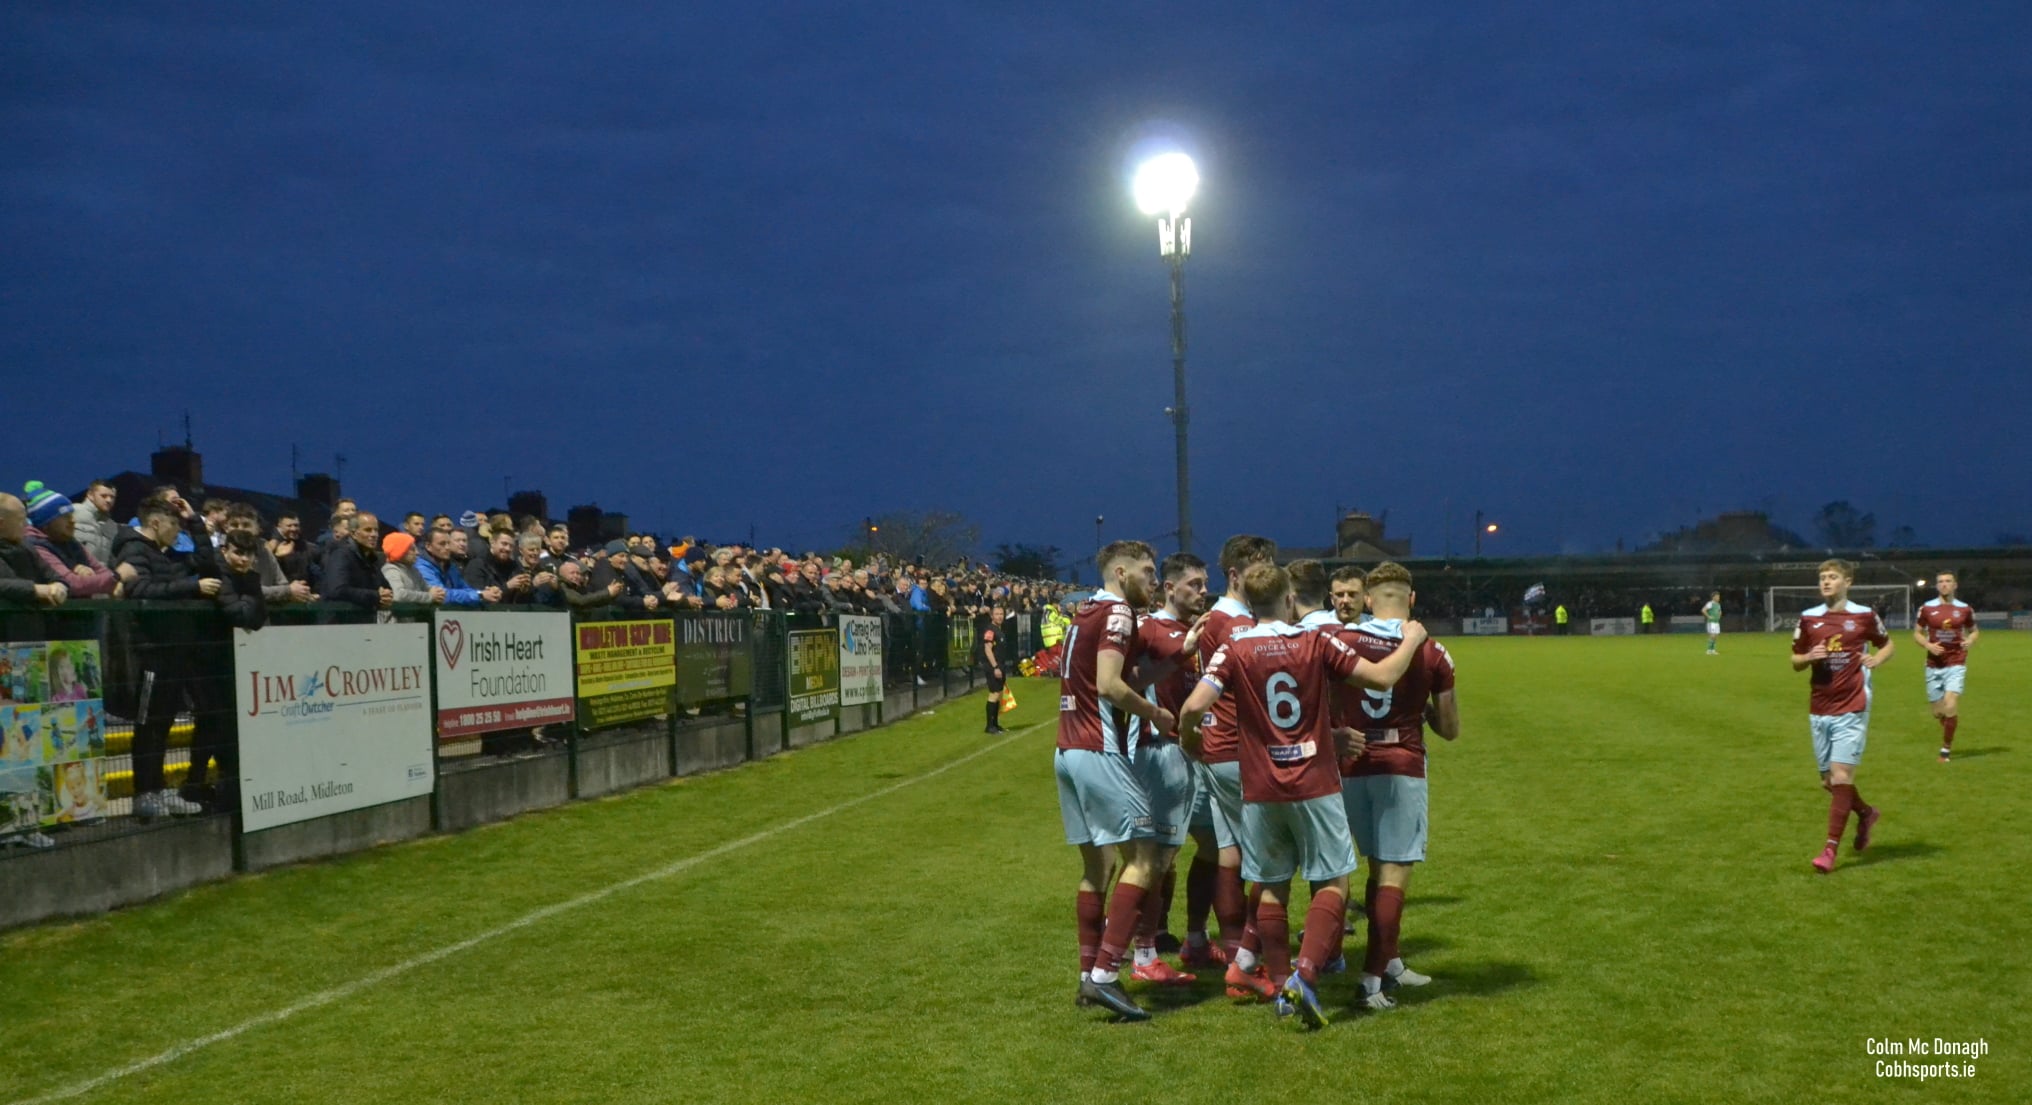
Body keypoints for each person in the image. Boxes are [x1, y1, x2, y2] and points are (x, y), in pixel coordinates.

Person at [1178, 562, 1426, 1028]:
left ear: (1250, 603)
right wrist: (1411, 640)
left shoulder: (1234, 645)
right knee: (1334, 881)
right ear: (1289, 599)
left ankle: (1277, 980)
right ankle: (1306, 975)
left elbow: (1194, 706)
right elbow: (1380, 678)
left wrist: (1189, 737)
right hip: (1313, 779)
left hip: (1261, 786)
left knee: (1271, 883)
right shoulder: (1313, 641)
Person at [1056, 541, 1171, 1021]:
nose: (1154, 579)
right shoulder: (1121, 612)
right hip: (1098, 748)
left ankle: (1088, 975)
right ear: (1120, 572)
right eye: (1147, 570)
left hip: (1065, 751)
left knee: (1095, 868)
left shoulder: (1084, 612)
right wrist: (1156, 712)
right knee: (1144, 857)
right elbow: (1108, 684)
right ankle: (1106, 975)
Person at [1337, 562, 1458, 1010]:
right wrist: (1425, 713)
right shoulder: (1433, 652)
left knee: (1370, 865)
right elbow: (1449, 728)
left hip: (1350, 765)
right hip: (1401, 765)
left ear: (1368, 599)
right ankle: (1371, 983)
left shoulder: (1341, 640)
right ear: (1411, 598)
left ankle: (1388, 961)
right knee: (1393, 871)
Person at [1193, 534, 1278, 1000]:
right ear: (1235, 576)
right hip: (1239, 749)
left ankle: (1233, 948)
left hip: (1215, 745)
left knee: (1230, 851)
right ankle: (1247, 957)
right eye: (1259, 572)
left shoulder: (1218, 619)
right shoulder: (1240, 625)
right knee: (1268, 857)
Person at [1128, 552, 1211, 975]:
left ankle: (1194, 936)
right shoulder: (1148, 630)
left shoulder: (1197, 630)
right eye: (1194, 584)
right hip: (1161, 753)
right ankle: (1141, 947)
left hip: (1197, 753)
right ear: (1169, 587)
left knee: (1211, 848)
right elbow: (1128, 684)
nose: (1202, 591)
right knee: (1157, 856)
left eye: (1204, 583)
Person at [113, 493, 217, 819]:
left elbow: (206, 563)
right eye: (174, 524)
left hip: (172, 652)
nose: (177, 532)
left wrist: (194, 521)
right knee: (149, 725)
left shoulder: (164, 553)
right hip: (150, 653)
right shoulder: (133, 549)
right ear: (155, 523)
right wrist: (191, 589)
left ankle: (157, 789)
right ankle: (145, 793)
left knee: (164, 723)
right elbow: (139, 591)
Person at [1790, 559, 1893, 874]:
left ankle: (1829, 850)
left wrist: (1877, 659)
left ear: (1847, 581)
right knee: (1828, 782)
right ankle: (1865, 813)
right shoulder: (1808, 619)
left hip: (1853, 704)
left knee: (1841, 777)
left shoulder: (1864, 616)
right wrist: (1808, 657)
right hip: (1819, 706)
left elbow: (1888, 644)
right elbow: (1794, 660)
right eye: (1822, 577)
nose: (1826, 582)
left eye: (1832, 577)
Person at [1913, 571, 1977, 762]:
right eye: (1940, 582)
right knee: (1938, 712)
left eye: (1948, 581)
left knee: (1950, 703)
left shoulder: (1965, 609)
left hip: (1956, 662)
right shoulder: (1926, 608)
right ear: (1936, 585)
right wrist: (1927, 645)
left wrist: (1970, 640)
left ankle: (1946, 750)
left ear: (1955, 585)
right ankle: (1949, 723)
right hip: (1933, 664)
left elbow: (1974, 631)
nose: (1944, 584)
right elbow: (1916, 633)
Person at [21, 483, 118, 598]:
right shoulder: (36, 546)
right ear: (46, 523)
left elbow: (100, 570)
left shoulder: (71, 541)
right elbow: (71, 583)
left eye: (71, 515)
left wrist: (92, 576)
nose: (72, 521)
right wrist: (116, 578)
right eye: (64, 516)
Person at [321, 512, 394, 612]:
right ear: (354, 534)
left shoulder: (372, 558)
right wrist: (375, 596)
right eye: (368, 530)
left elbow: (385, 587)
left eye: (376, 530)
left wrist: (386, 596)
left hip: (363, 621)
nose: (374, 535)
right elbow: (337, 590)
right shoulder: (341, 554)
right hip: (339, 622)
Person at [417, 529, 493, 607]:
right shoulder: (421, 566)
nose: (447, 548)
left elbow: (465, 588)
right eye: (442, 544)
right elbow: (442, 596)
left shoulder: (450, 565)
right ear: (428, 546)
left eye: (448, 543)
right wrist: (479, 595)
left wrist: (484, 593)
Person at [72, 480, 120, 566]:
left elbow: (110, 558)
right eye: (103, 496)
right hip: (74, 573)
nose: (109, 500)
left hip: (100, 576)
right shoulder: (74, 512)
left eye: (112, 497)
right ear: (90, 495)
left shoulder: (112, 526)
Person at [979, 603, 1008, 734]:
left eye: (1001, 614)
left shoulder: (999, 629)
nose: (999, 616)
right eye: (997, 614)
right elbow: (987, 649)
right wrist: (995, 667)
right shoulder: (990, 630)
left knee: (998, 693)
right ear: (992, 616)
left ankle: (995, 724)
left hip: (1000, 665)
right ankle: (990, 726)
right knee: (994, 694)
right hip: (993, 666)